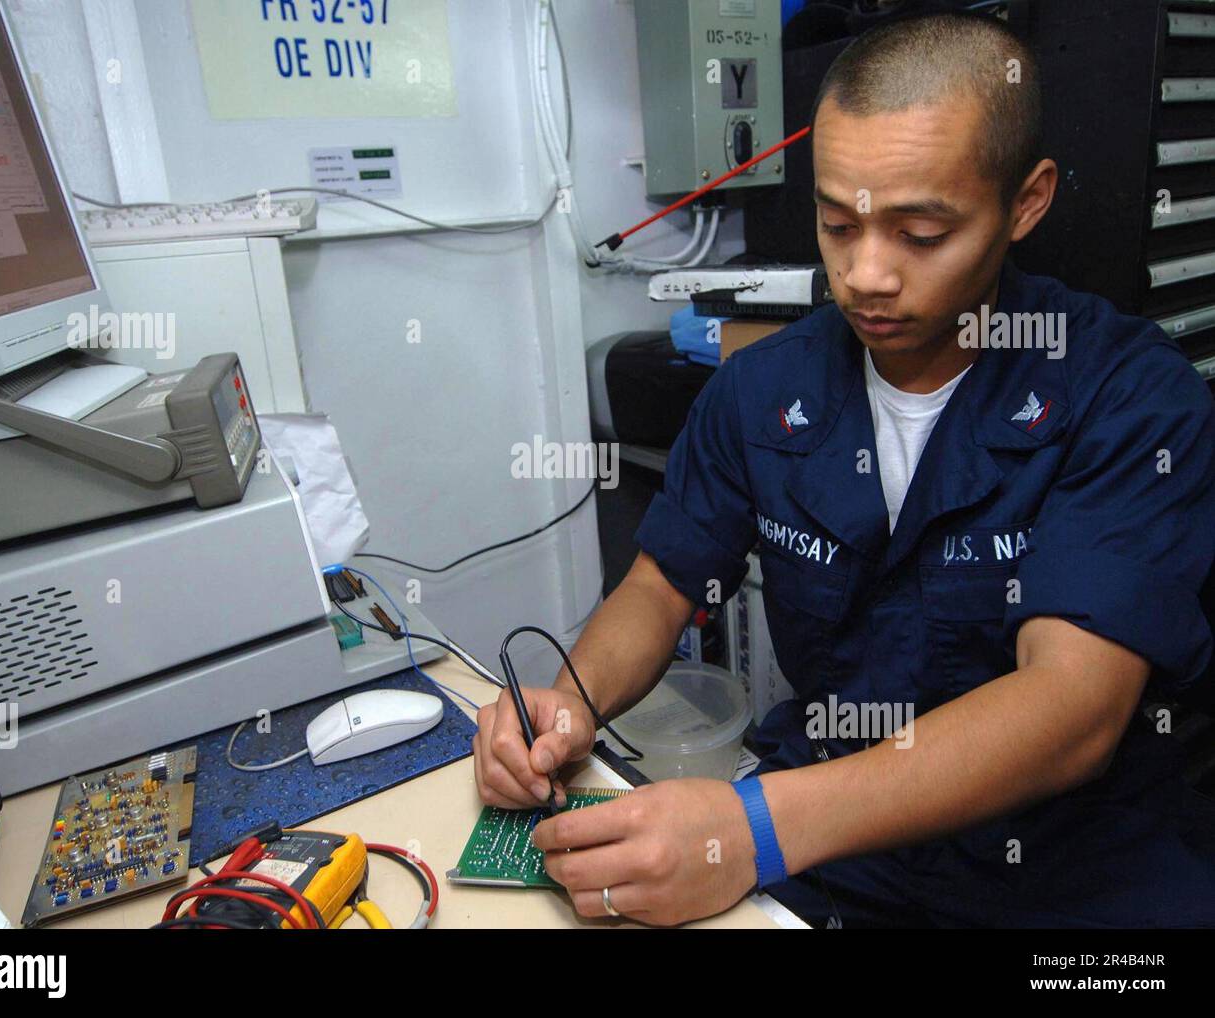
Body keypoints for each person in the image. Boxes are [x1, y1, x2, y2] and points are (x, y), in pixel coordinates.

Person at [473, 11, 1215, 928]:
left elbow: (1070, 710)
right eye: (837, 223)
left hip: (1070, 868)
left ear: (1025, 202)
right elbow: (665, 582)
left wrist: (751, 829)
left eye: (920, 232)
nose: (866, 274)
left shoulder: (1132, 397)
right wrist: (568, 703)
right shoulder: (762, 390)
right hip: (840, 846)